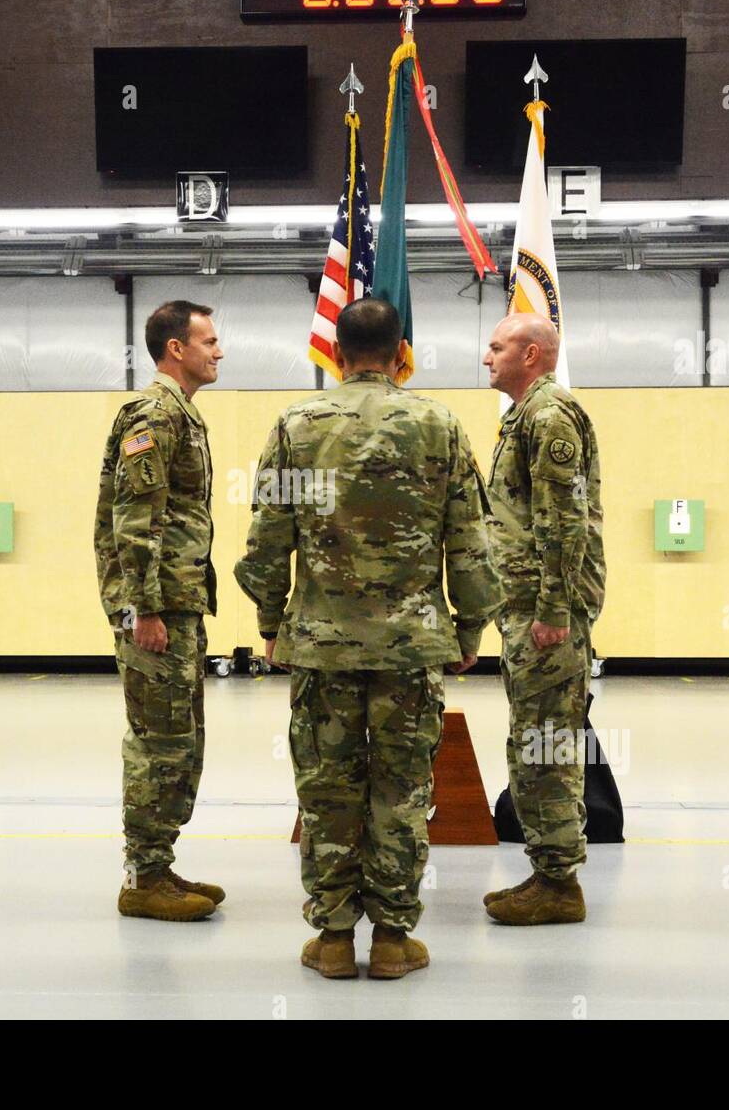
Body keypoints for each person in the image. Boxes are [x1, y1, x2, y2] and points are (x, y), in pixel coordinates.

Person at [235, 297, 501, 979]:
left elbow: (268, 540)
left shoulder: (297, 426)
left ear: (335, 351)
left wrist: (271, 622)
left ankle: (330, 937)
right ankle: (390, 937)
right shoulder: (439, 424)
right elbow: (469, 539)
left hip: (320, 648)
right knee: (402, 790)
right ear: (399, 350)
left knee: (327, 788)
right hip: (411, 647)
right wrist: (469, 625)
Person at [94, 300, 225, 921]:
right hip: (156, 610)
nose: (217, 350)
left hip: (176, 605)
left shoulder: (182, 416)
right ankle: (143, 877)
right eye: (208, 339)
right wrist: (144, 610)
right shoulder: (154, 415)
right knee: (159, 740)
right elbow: (135, 519)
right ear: (177, 348)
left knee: (180, 737)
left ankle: (159, 864)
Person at [480, 312, 605, 925]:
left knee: (547, 743)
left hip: (545, 614)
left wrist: (554, 609)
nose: (487, 357)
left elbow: (562, 521)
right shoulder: (526, 417)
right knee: (534, 737)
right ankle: (548, 872)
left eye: (497, 347)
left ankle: (558, 883)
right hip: (528, 608)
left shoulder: (550, 416)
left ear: (531, 354)